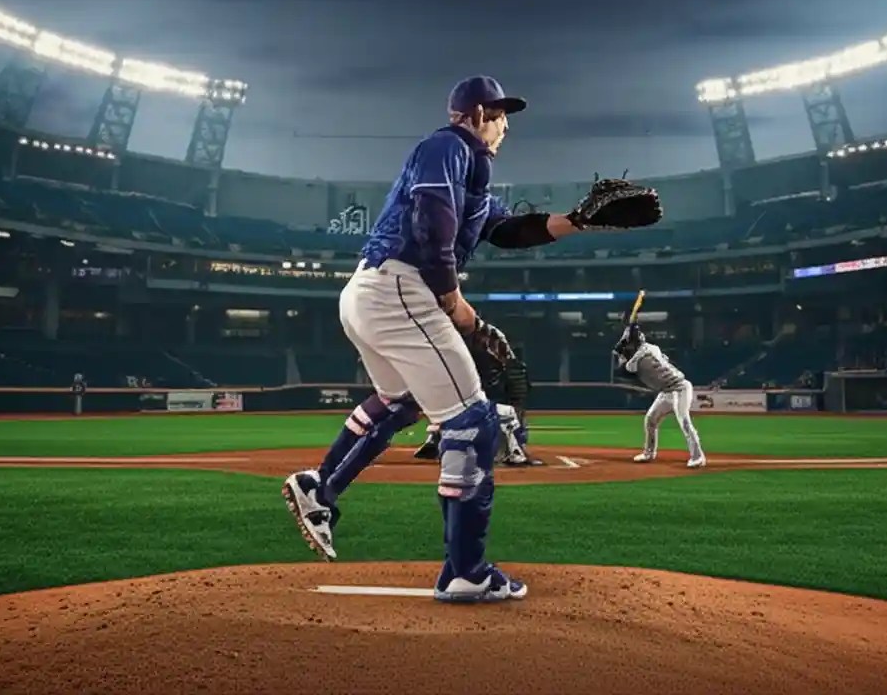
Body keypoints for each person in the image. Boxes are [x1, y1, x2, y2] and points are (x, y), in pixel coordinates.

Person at [281, 75, 589, 603]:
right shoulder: (448, 146)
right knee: (473, 420)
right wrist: (451, 298)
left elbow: (513, 230)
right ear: (473, 114)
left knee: (400, 403)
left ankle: (321, 486)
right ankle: (466, 571)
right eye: (498, 114)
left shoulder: (472, 178)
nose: (506, 125)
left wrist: (580, 221)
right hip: (401, 286)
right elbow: (432, 217)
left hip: (371, 290)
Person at [413, 344, 538, 466]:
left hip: (458, 410)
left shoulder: (461, 375)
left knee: (447, 416)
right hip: (469, 409)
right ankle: (513, 453)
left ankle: (434, 442)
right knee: (507, 413)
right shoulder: (470, 375)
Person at [612, 323, 706, 467]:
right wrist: (624, 346)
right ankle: (649, 453)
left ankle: (698, 457)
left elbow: (624, 369)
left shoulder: (637, 359)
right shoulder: (651, 349)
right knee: (650, 419)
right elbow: (625, 366)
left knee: (684, 421)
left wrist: (620, 350)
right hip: (666, 391)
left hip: (680, 387)